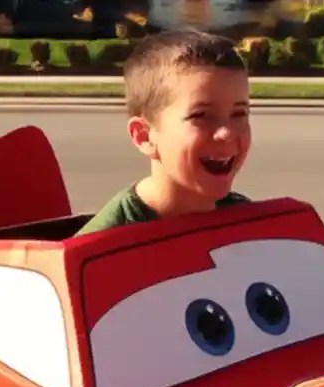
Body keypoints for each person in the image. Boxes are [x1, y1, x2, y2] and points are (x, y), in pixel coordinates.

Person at [74, 29, 253, 236]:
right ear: (144, 136)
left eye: (239, 113)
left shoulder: (251, 225)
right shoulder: (97, 251)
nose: (227, 133)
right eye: (201, 115)